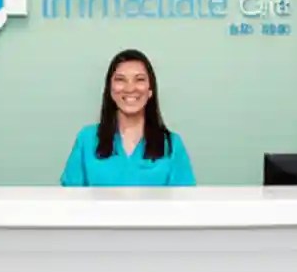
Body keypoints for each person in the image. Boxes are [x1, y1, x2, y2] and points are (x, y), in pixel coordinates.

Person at [60, 49, 196, 187]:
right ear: (110, 89)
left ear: (150, 90)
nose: (130, 88)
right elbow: (69, 201)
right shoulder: (86, 139)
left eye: (139, 79)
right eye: (120, 80)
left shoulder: (172, 144)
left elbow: (184, 204)